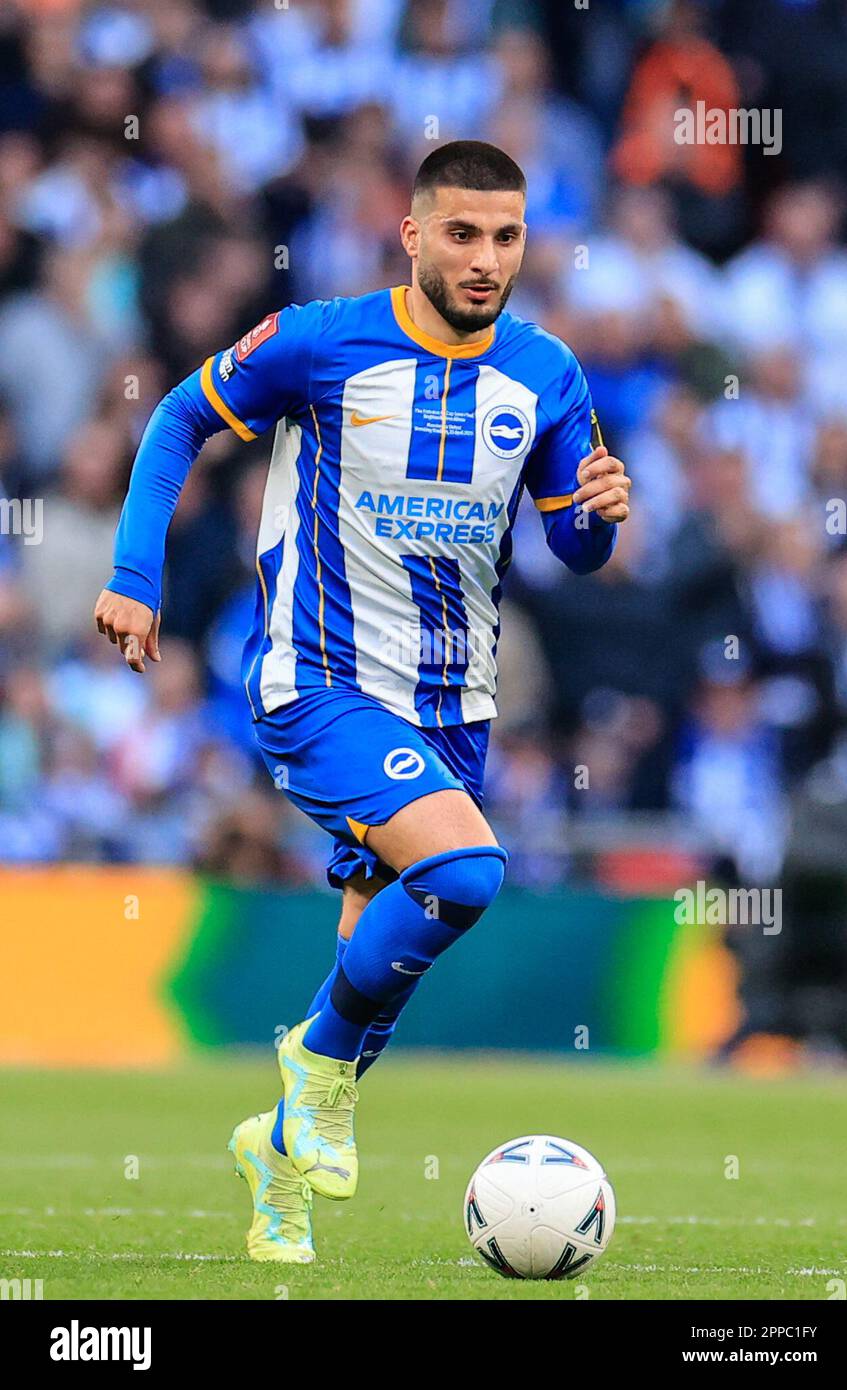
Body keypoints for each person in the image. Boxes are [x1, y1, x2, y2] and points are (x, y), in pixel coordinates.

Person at [92, 141, 631, 1263]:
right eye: (465, 234)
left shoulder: (547, 373)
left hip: (452, 703)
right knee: (468, 873)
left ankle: (278, 1152)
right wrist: (137, 574)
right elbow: (177, 420)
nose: (487, 260)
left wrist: (599, 512)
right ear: (416, 235)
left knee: (379, 959)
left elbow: (575, 548)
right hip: (319, 682)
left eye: (509, 237)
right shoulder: (320, 339)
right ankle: (314, 1070)